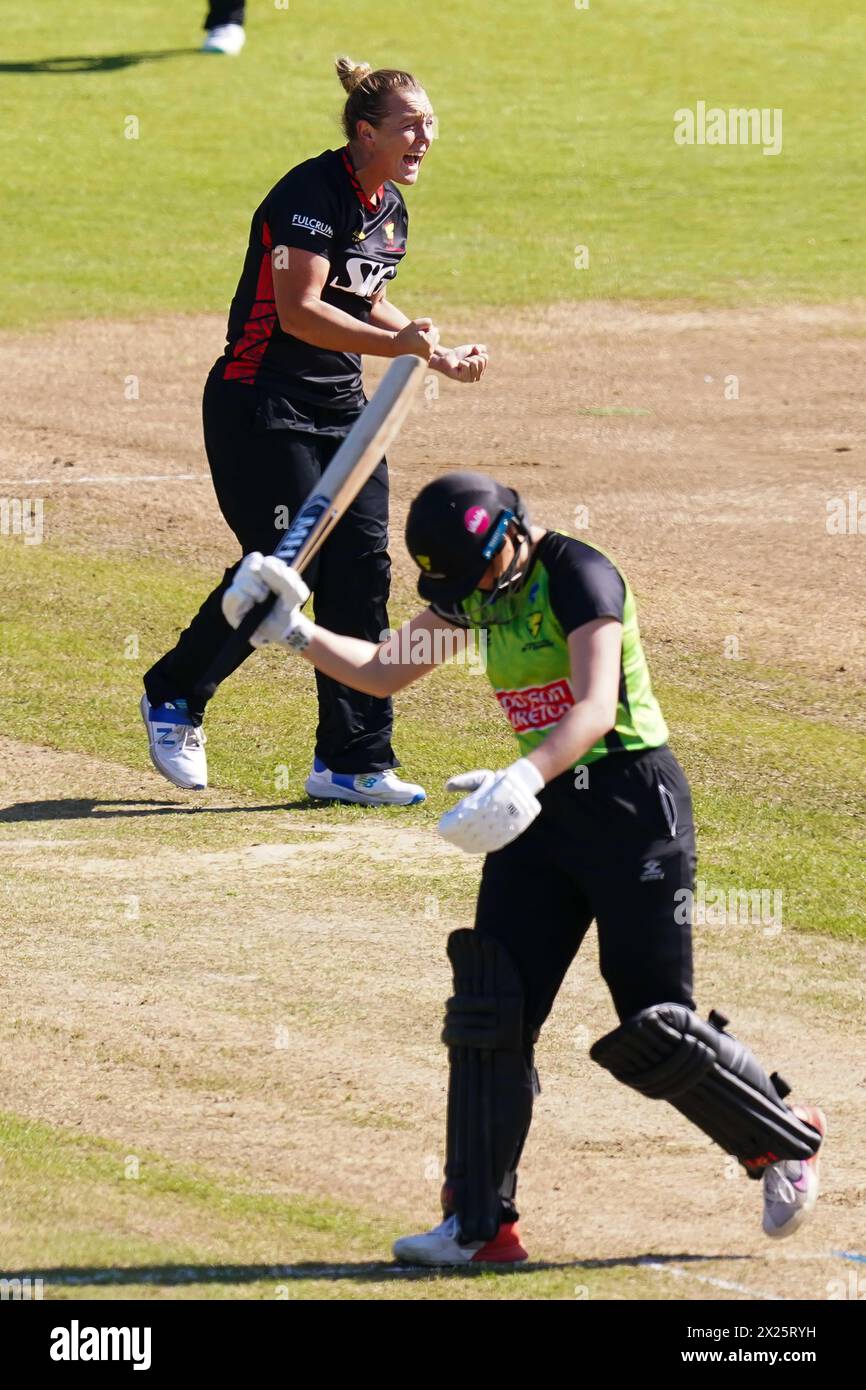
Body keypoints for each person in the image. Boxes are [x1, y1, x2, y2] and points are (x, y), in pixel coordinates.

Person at [220, 470, 826, 1264]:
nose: (473, 598)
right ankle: (480, 1227)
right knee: (490, 1010)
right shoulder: (477, 589)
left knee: (654, 1020)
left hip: (631, 806)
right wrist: (292, 631)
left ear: (512, 531)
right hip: (540, 811)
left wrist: (521, 777)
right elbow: (381, 671)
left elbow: (596, 704)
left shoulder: (579, 574)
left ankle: (781, 1138)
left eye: (477, 578)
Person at [141, 59, 488, 805]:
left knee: (362, 569)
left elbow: (366, 297)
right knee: (281, 566)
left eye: (431, 123)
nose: (426, 137)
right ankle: (173, 694)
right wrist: (399, 348)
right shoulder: (308, 194)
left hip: (343, 413)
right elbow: (298, 311)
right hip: (260, 404)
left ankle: (352, 762)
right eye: (410, 125)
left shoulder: (388, 206)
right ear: (366, 133)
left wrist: (432, 350)